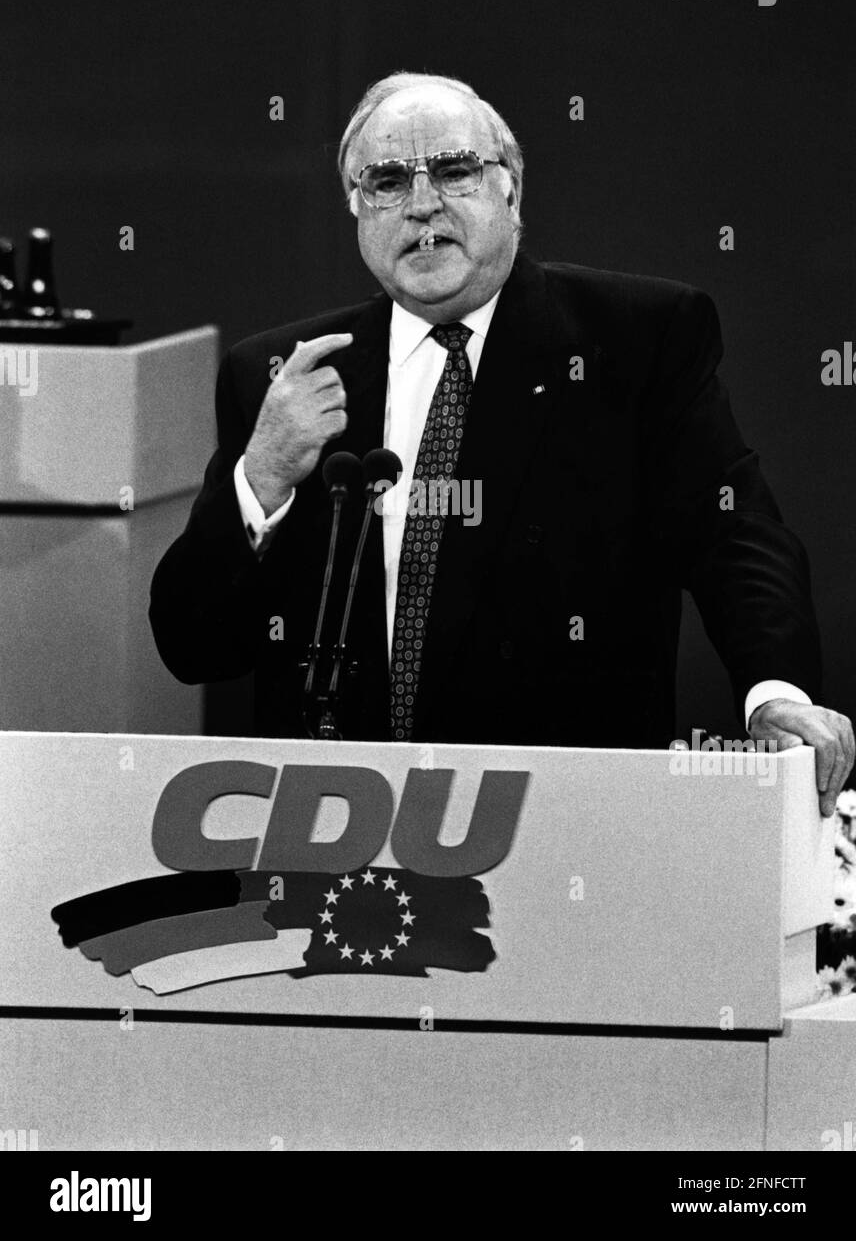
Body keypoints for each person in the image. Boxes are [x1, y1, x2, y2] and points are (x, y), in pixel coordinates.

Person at [149, 71, 853, 815]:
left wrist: (775, 695)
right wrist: (260, 480)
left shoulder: (636, 339)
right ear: (356, 209)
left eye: (454, 171)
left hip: (566, 825)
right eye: (387, 181)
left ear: (510, 189)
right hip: (335, 836)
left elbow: (733, 534)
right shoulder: (289, 376)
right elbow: (195, 646)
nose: (423, 203)